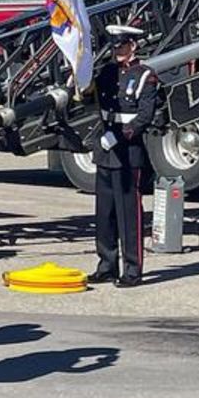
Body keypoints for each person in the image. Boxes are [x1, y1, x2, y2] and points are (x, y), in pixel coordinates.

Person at [88, 26, 159, 289]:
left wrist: (121, 135)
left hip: (128, 150)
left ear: (133, 46)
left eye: (122, 46)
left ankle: (132, 268)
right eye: (115, 46)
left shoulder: (145, 76)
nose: (117, 51)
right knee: (104, 212)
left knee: (129, 214)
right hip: (106, 149)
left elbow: (144, 115)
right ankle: (106, 263)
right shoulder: (107, 73)